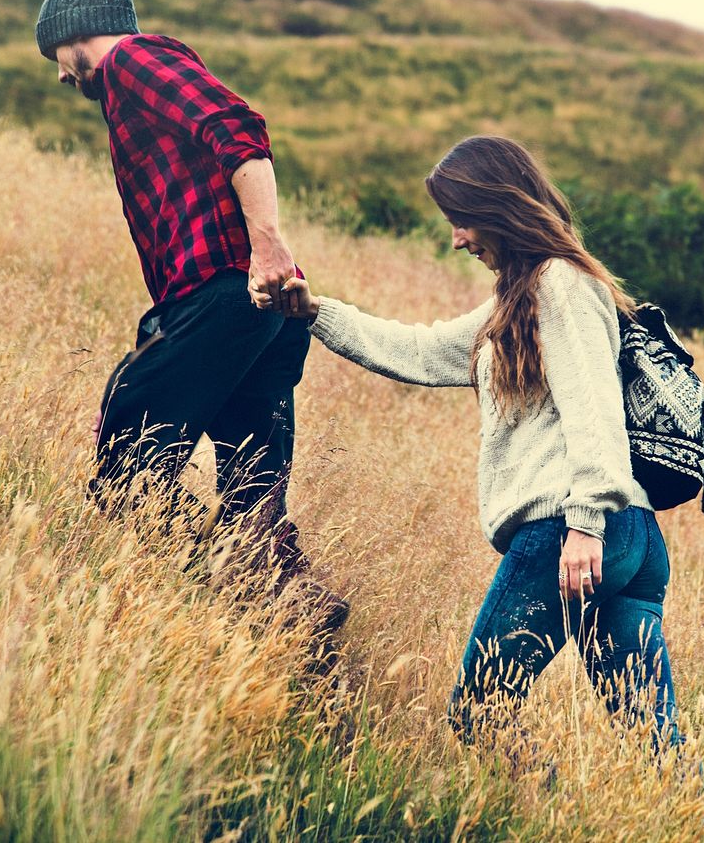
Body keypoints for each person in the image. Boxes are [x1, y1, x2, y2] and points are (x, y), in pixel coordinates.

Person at [252, 135, 681, 754]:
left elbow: (596, 413)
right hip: (627, 537)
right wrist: (314, 313)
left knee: (480, 712)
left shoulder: (559, 284)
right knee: (651, 740)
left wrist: (584, 523)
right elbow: (421, 350)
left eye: (462, 221)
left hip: (574, 529)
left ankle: (539, 817)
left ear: (499, 207)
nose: (457, 239)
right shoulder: (517, 302)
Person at [35, 0, 347, 631]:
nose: (61, 75)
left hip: (228, 295)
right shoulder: (129, 94)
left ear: (77, 35)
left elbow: (240, 131)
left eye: (57, 56)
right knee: (251, 494)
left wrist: (267, 247)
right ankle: (294, 616)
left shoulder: (136, 60)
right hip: (258, 313)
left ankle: (208, 589)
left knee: (125, 463)